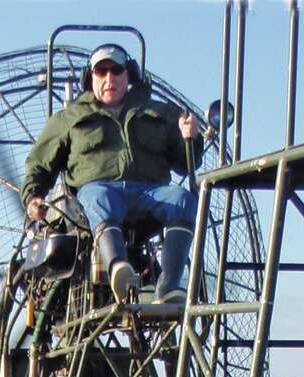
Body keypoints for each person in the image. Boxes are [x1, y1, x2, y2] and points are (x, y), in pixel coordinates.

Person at [21, 42, 202, 303]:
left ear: (128, 75)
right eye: (101, 72)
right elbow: (39, 163)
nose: (109, 79)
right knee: (99, 197)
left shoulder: (160, 113)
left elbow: (187, 164)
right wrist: (33, 197)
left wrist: (190, 138)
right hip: (98, 192)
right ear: (90, 77)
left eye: (116, 71)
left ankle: (169, 286)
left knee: (183, 199)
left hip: (150, 192)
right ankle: (119, 268)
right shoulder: (68, 119)